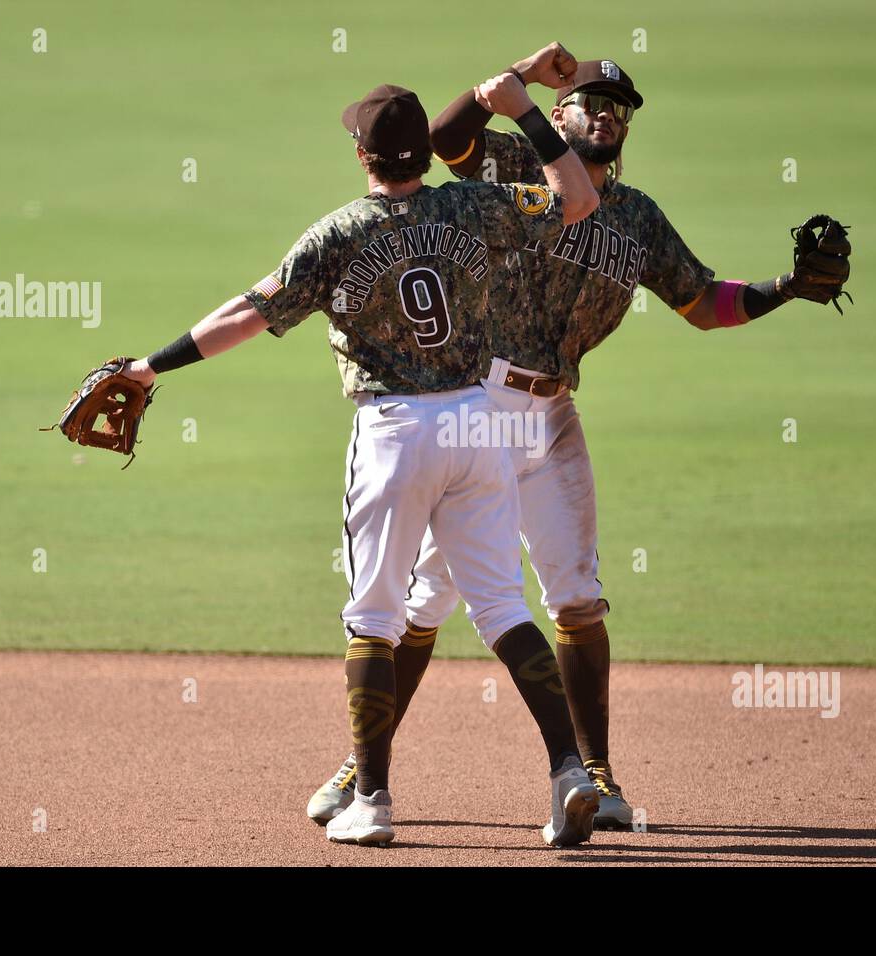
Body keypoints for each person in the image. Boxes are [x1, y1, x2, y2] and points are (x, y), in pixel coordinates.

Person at [307, 46, 851, 831]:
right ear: (559, 114)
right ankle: (365, 770)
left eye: (618, 106)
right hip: (475, 407)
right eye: (588, 101)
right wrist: (520, 80)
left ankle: (592, 773)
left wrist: (787, 289)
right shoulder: (510, 167)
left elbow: (702, 301)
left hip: (553, 417)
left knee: (577, 595)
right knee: (423, 602)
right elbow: (446, 134)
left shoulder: (637, 217)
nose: (605, 112)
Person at [120, 80, 606, 847]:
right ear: (420, 153)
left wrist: (153, 365)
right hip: (478, 427)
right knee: (505, 610)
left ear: (361, 154)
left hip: (394, 433)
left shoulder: (336, 234)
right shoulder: (473, 206)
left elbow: (247, 314)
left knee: (375, 618)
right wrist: (526, 114)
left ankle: (372, 800)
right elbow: (576, 198)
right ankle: (569, 771)